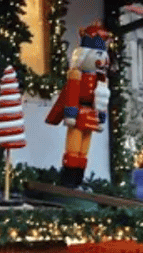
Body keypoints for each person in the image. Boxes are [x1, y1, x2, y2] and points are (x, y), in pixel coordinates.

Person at [45, 24, 111, 187]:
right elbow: (72, 95)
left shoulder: (101, 80)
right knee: (73, 148)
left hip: (91, 116)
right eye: (98, 54)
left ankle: (78, 180)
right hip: (78, 113)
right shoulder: (76, 75)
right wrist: (71, 114)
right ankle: (68, 180)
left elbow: (101, 101)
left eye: (103, 54)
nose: (102, 59)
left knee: (84, 150)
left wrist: (101, 117)